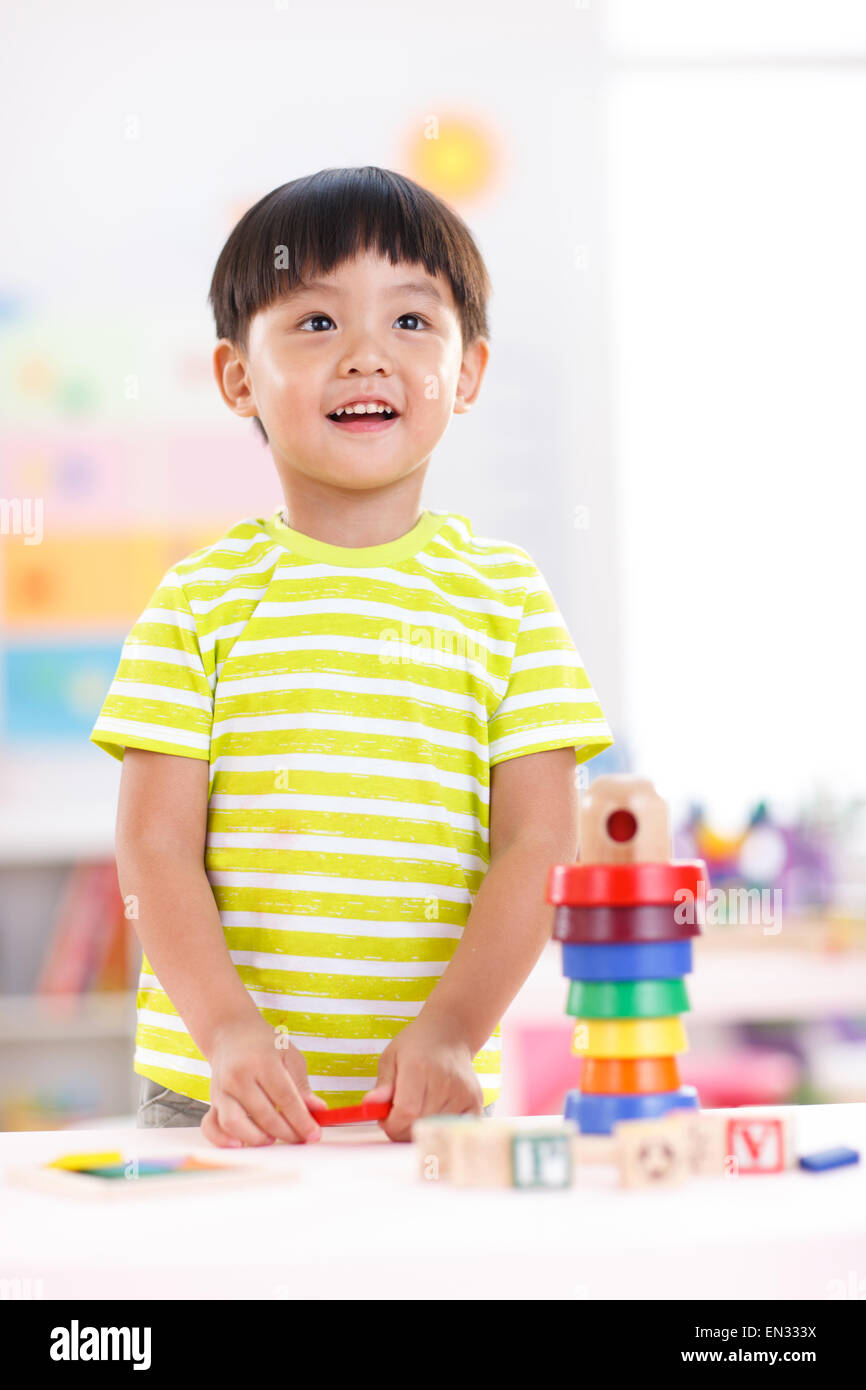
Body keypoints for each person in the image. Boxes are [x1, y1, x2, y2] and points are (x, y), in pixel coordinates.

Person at [90, 166, 614, 1145]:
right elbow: (155, 851)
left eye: (411, 322)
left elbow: (539, 844)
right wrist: (231, 1034)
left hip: (430, 1097)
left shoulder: (506, 601)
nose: (366, 355)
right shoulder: (197, 601)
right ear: (237, 375)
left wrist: (454, 1028)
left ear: (466, 373)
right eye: (317, 322)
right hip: (218, 1092)